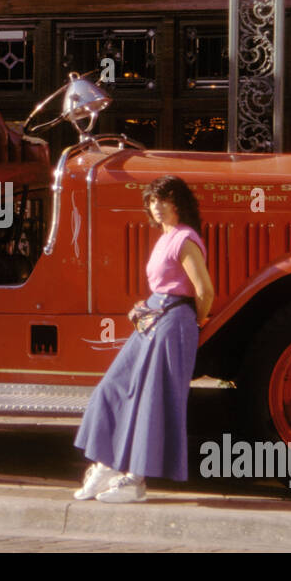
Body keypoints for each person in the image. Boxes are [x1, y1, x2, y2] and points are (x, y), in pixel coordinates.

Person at [73, 175, 214, 502]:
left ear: (180, 204)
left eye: (164, 200)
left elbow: (204, 290)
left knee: (151, 398)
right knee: (112, 386)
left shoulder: (184, 239)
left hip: (172, 321)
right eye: (152, 201)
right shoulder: (166, 237)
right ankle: (106, 464)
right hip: (154, 317)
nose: (157, 207)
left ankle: (135, 481)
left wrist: (196, 319)